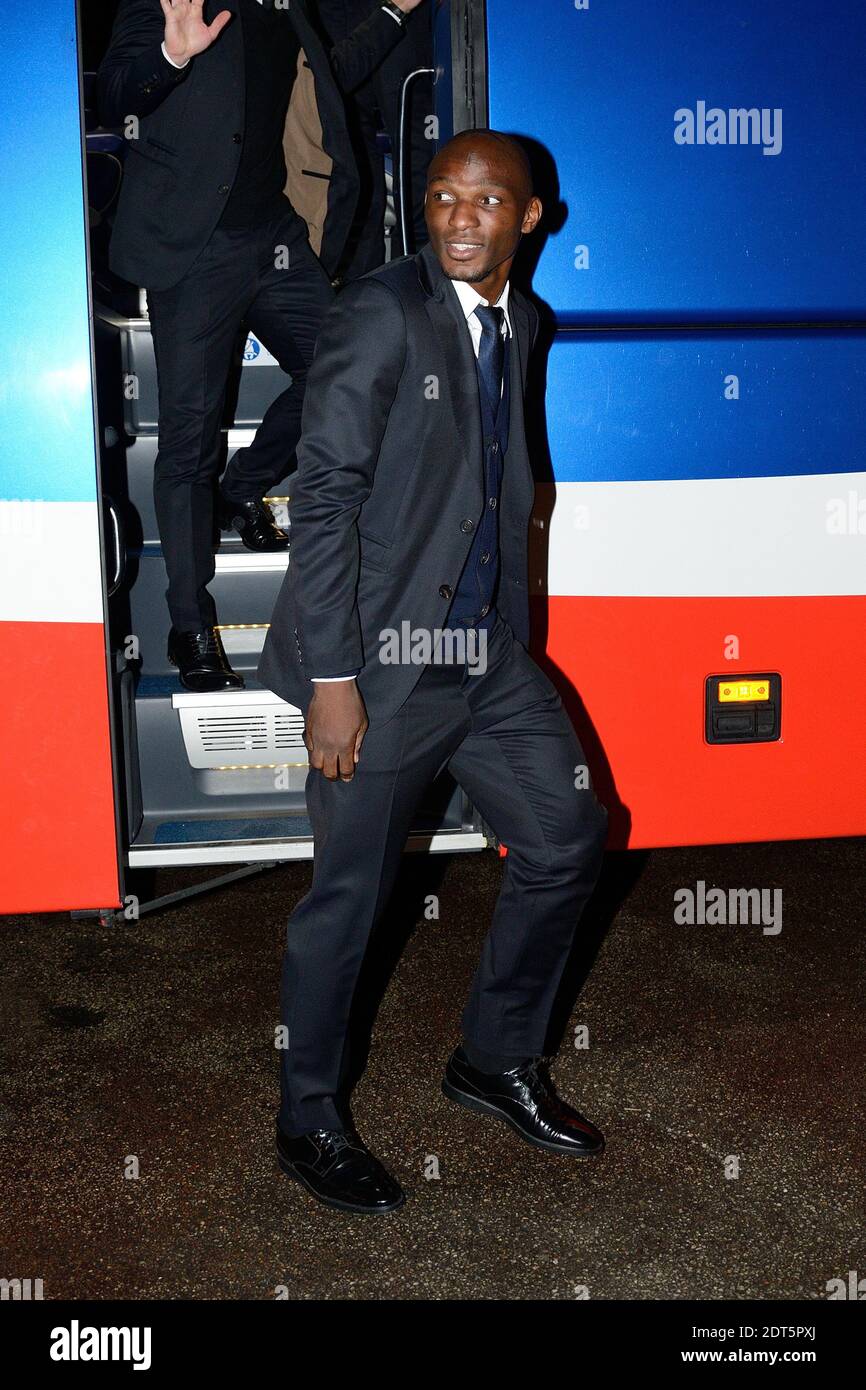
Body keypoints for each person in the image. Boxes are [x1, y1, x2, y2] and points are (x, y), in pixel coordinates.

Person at [258, 128, 610, 1214]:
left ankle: (492, 1059)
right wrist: (332, 677)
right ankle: (307, 1113)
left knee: (568, 835)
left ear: (531, 217)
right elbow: (319, 502)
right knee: (351, 902)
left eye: (486, 201)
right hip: (375, 662)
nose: (459, 218)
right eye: (443, 196)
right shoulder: (380, 313)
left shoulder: (526, 321)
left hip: (484, 654)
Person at [98, 0, 424, 691]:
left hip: (272, 237)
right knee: (187, 444)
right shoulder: (171, 1)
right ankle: (189, 624)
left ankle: (242, 489)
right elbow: (117, 88)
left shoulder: (284, 8)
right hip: (191, 250)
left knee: (346, 377)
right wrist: (171, 56)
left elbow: (327, 74)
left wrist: (395, 13)